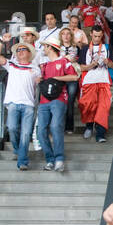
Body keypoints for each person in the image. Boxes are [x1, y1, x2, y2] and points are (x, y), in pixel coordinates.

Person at [0, 29, 41, 170]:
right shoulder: (11, 65)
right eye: (18, 49)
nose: (20, 51)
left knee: (26, 134)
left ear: (29, 53)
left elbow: (39, 80)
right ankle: (18, 150)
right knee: (12, 128)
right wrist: (2, 41)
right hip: (13, 103)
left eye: (23, 49)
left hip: (28, 105)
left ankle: (22, 161)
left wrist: (40, 80)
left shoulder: (35, 69)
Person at [36, 38, 78, 173]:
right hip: (43, 101)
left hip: (59, 99)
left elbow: (74, 76)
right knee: (41, 131)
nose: (43, 49)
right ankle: (50, 160)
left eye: (45, 46)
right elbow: (43, 80)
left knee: (55, 126)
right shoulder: (46, 65)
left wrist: (56, 79)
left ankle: (59, 159)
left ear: (50, 47)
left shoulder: (63, 61)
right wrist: (40, 80)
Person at [78, 25, 113, 143]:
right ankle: (89, 126)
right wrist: (91, 65)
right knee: (88, 105)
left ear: (102, 35)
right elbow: (81, 67)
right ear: (91, 35)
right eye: (95, 36)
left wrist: (106, 61)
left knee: (103, 106)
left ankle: (100, 133)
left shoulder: (107, 47)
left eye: (99, 36)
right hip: (89, 81)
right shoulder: (84, 49)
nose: (97, 38)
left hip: (103, 81)